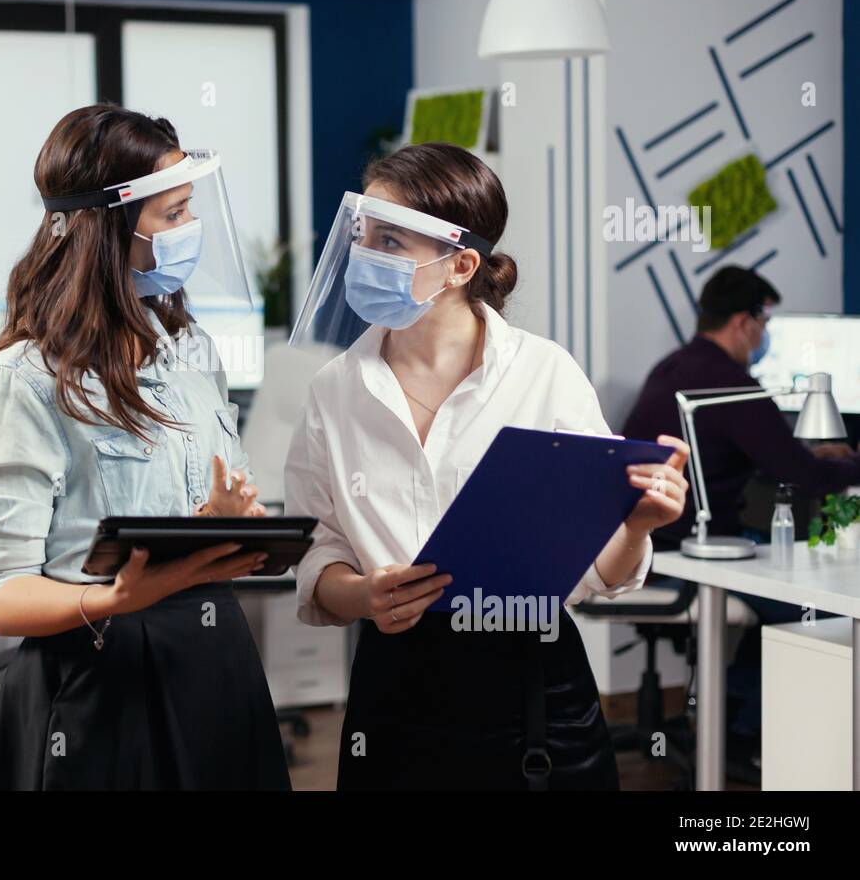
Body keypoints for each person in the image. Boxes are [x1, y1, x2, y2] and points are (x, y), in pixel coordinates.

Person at [284, 142, 689, 790]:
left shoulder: (544, 373)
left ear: (460, 264)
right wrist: (362, 594)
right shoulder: (334, 389)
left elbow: (598, 574)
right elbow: (314, 551)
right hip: (395, 687)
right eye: (364, 236)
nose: (366, 257)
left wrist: (635, 525)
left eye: (391, 241)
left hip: (535, 690)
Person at [0, 104, 289, 790]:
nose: (188, 231)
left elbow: (219, 500)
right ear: (110, 228)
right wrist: (114, 598)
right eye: (173, 215)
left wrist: (230, 520)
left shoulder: (191, 352)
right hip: (99, 682)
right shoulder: (26, 380)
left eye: (191, 209)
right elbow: (0, 595)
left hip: (215, 658)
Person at [621, 265, 859, 774]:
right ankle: (753, 736)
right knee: (811, 603)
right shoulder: (728, 380)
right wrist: (850, 462)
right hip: (691, 553)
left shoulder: (674, 367)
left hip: (651, 545)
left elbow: (766, 450)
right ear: (745, 322)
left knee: (783, 588)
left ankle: (732, 725)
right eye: (765, 319)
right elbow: (803, 475)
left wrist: (814, 455)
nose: (765, 333)